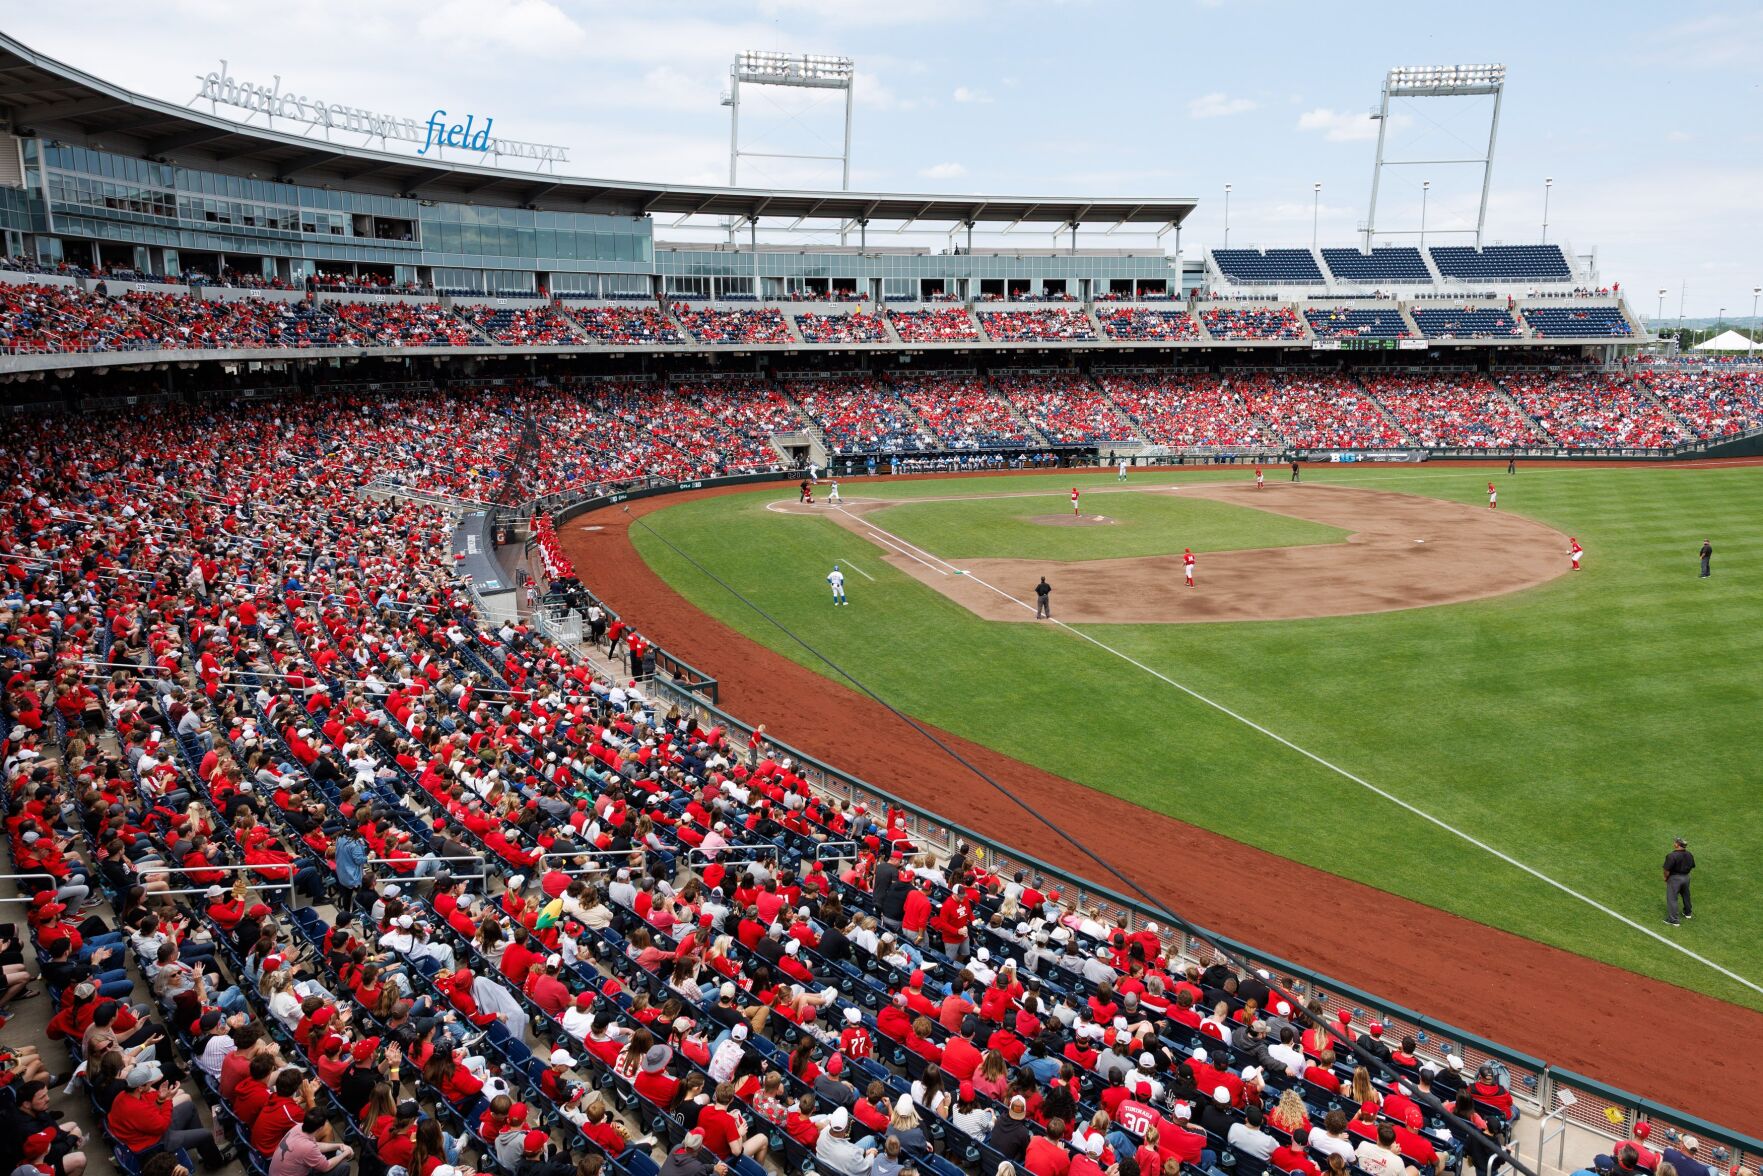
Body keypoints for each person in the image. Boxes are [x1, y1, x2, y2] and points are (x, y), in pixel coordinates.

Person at [269, 1108, 353, 1176]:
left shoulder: (298, 1127)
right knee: (344, 1167)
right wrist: (346, 1153)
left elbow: (316, 1146)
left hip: (279, 1172)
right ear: (320, 1128)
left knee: (332, 1151)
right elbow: (326, 1166)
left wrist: (339, 1145)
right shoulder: (307, 1147)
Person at [1663, 837, 1695, 926]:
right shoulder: (1689, 854)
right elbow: (1692, 866)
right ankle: (1688, 913)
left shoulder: (1671, 856)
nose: (1674, 843)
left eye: (1675, 842)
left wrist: (1666, 877)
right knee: (1686, 894)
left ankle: (1673, 920)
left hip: (1675, 879)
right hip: (1686, 877)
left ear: (1677, 845)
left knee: (1672, 898)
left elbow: (1666, 870)